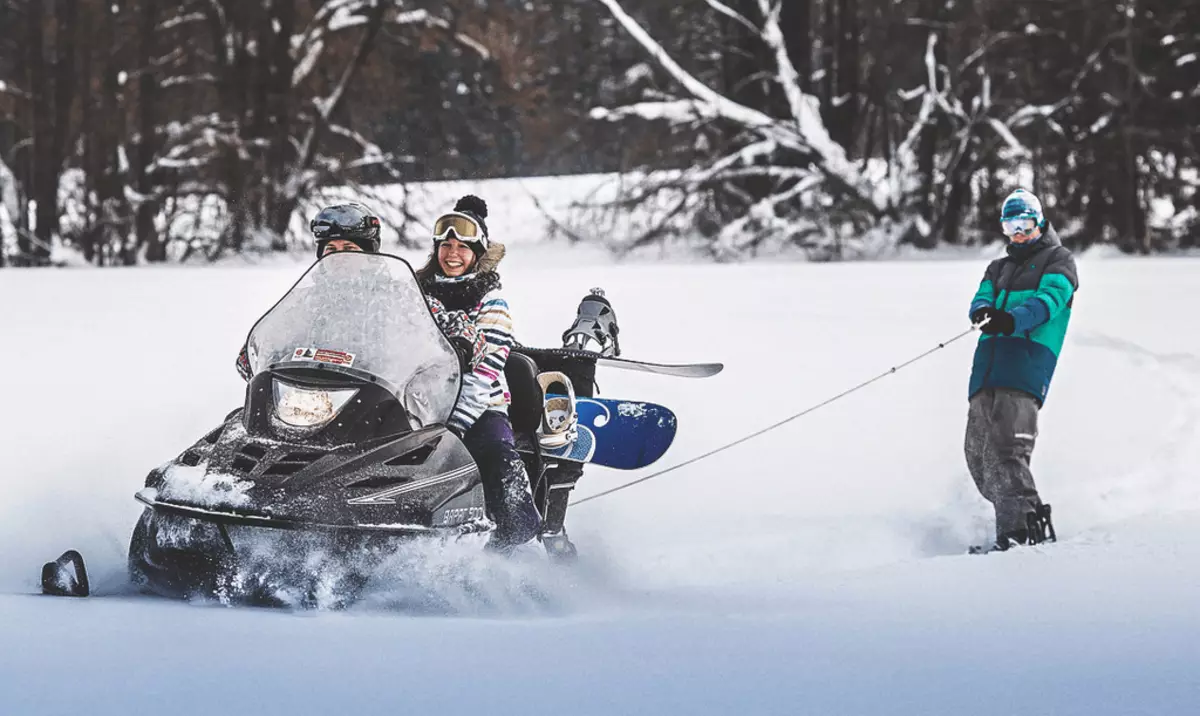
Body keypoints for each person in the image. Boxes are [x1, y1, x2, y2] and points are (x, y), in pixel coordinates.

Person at [416, 195, 542, 551]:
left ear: (477, 254)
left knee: (493, 449)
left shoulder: (492, 303)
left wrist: (453, 426)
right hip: (418, 400)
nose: (452, 253)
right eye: (446, 245)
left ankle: (514, 529)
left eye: (462, 247)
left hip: (479, 405)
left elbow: (484, 374)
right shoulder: (415, 293)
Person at [965, 188, 1078, 551]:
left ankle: (1019, 537)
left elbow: (1048, 302)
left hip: (1025, 367)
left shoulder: (1058, 260)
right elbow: (982, 296)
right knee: (979, 457)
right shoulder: (997, 267)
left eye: (1024, 224)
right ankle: (1022, 520)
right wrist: (983, 312)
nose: (1018, 232)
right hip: (987, 370)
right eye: (1010, 225)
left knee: (1007, 451)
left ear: (1039, 222)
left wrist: (1009, 320)